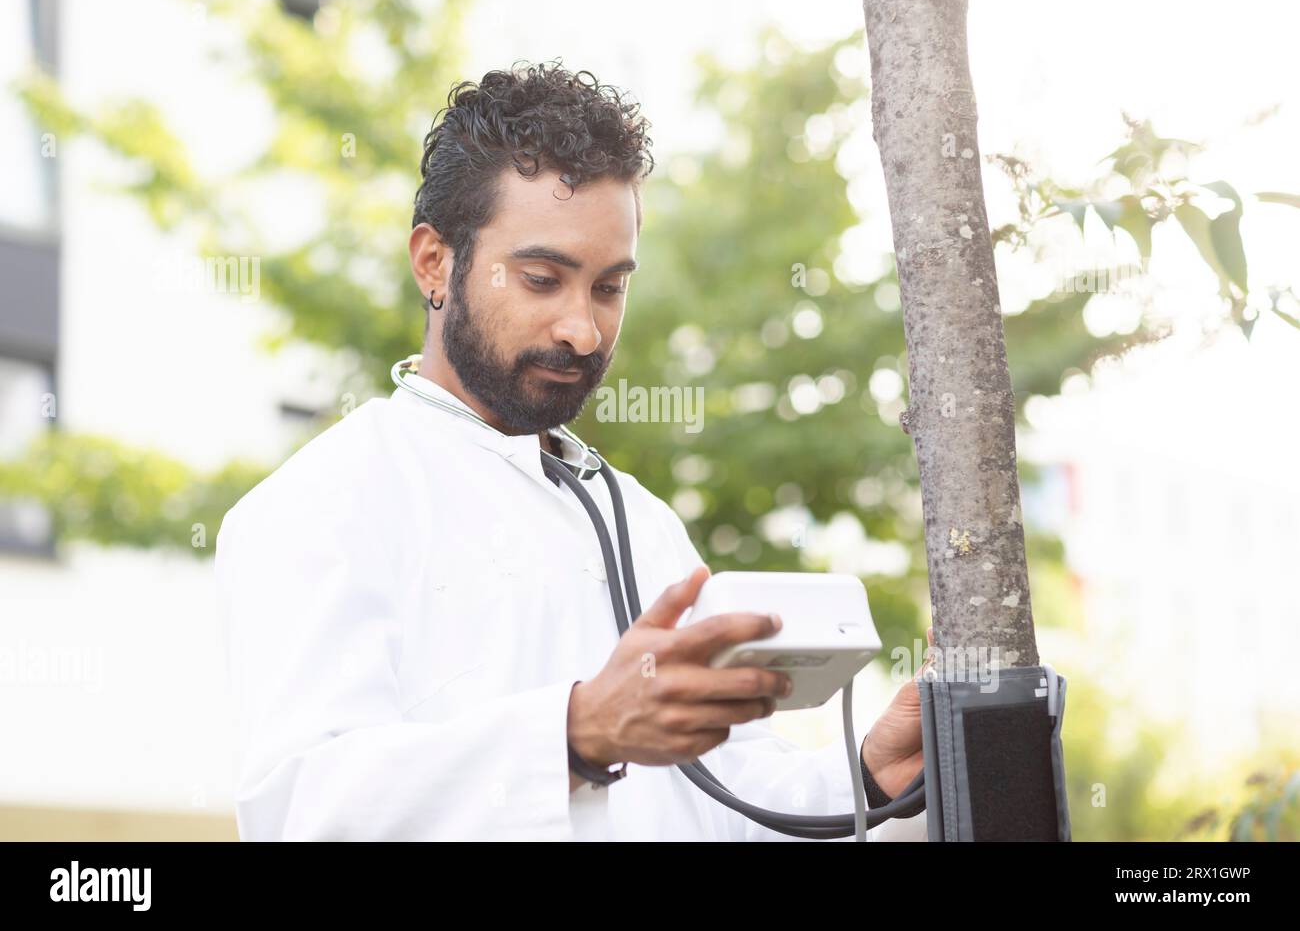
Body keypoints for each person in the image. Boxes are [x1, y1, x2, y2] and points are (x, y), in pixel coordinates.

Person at [215, 60, 929, 841]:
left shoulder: (641, 520)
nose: (581, 331)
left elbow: (733, 802)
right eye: (542, 278)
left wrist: (867, 775)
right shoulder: (322, 502)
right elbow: (305, 814)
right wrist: (576, 734)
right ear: (434, 263)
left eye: (608, 287)